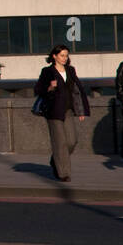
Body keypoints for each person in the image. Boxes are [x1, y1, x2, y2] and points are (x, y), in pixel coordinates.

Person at [33, 45, 89, 182]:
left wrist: (80, 110)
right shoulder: (47, 71)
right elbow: (38, 90)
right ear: (54, 56)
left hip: (68, 110)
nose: (65, 58)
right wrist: (50, 87)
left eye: (66, 55)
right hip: (53, 111)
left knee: (71, 141)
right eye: (62, 55)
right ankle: (63, 173)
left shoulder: (70, 70)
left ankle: (55, 159)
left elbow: (77, 90)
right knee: (60, 143)